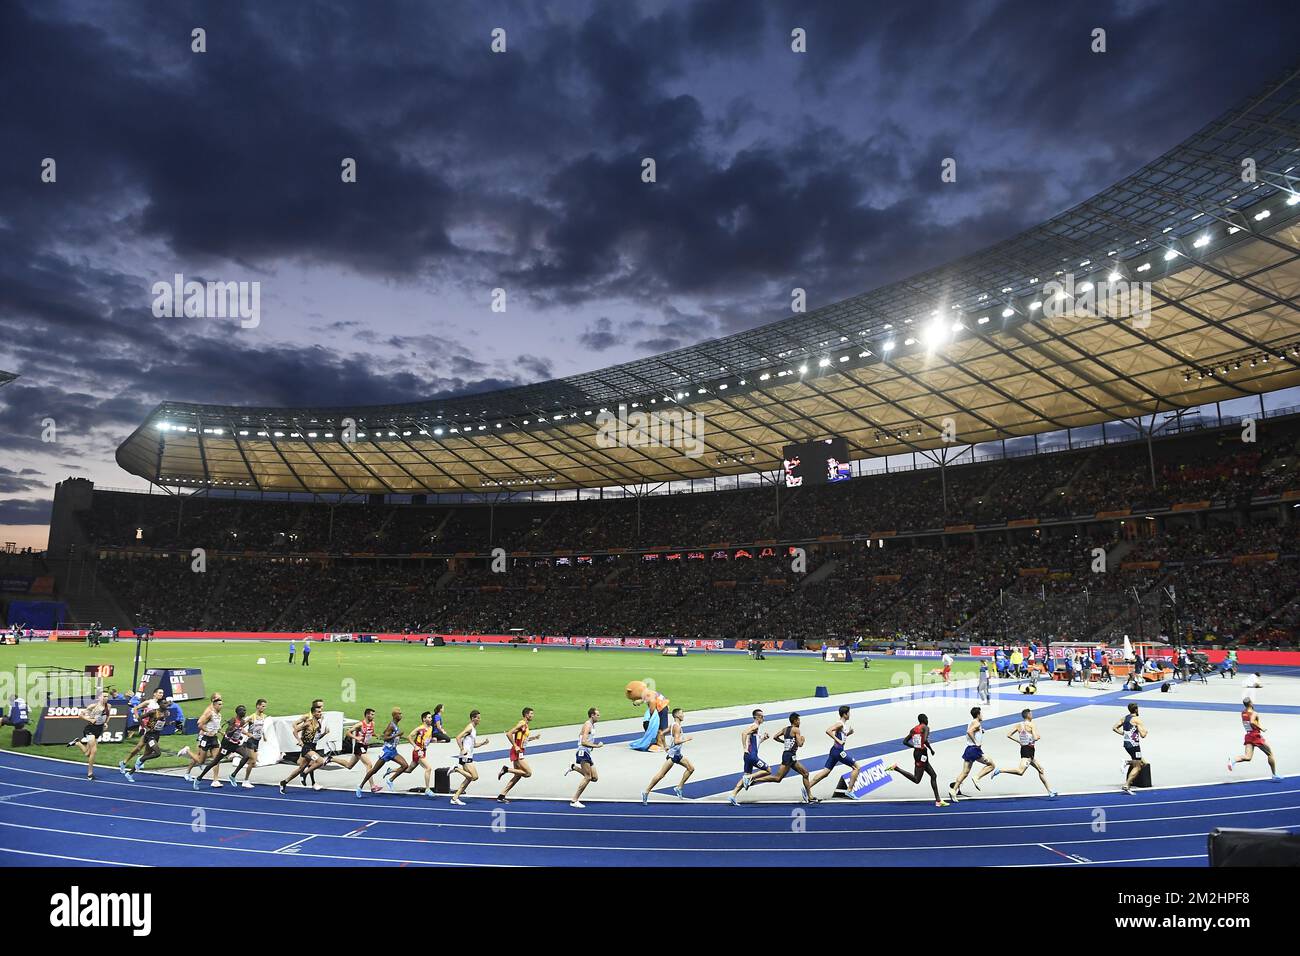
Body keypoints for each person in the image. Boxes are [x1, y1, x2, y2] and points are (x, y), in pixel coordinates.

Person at [887, 713, 947, 807]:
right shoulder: (926, 727)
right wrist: (924, 743)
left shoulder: (913, 729)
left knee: (933, 775)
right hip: (922, 754)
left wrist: (926, 748)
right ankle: (896, 768)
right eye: (927, 718)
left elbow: (905, 742)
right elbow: (925, 738)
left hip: (918, 753)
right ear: (924, 719)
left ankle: (938, 800)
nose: (928, 720)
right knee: (917, 779)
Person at [996, 709, 1056, 797]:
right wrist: (1038, 737)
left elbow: (1008, 735)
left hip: (1025, 749)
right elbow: (1035, 738)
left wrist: (1019, 741)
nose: (1032, 715)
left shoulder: (1019, 725)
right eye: (1031, 714)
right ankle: (1000, 770)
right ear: (1028, 715)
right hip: (1029, 750)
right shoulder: (1031, 725)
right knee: (1020, 772)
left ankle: (1050, 791)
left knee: (1041, 769)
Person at [194, 704, 254, 788]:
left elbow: (241, 729)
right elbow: (228, 734)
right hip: (226, 745)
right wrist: (237, 727)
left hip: (235, 744)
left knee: (247, 756)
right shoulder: (233, 720)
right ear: (238, 712)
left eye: (245, 710)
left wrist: (247, 733)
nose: (244, 712)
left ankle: (233, 775)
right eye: (242, 710)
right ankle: (199, 778)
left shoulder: (243, 721)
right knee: (215, 762)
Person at [807, 705, 862, 798]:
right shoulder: (840, 724)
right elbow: (828, 731)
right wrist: (838, 740)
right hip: (838, 751)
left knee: (825, 772)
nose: (850, 714)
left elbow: (842, 736)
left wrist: (848, 733)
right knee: (857, 767)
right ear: (845, 714)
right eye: (849, 713)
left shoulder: (842, 725)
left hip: (835, 751)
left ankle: (806, 788)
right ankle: (849, 791)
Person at [641, 709, 694, 803]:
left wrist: (665, 746)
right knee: (661, 775)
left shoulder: (673, 724)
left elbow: (661, 733)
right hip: (673, 755)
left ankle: (679, 787)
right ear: (677, 715)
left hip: (677, 754)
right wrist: (686, 739)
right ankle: (646, 791)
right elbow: (677, 741)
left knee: (691, 768)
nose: (683, 715)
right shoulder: (676, 726)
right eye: (682, 713)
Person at [763, 713, 818, 804]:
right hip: (790, 756)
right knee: (778, 778)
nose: (800, 722)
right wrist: (803, 739)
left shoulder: (785, 729)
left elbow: (775, 737)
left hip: (787, 755)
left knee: (805, 774)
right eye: (799, 720)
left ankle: (809, 796)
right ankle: (755, 780)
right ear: (795, 721)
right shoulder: (796, 730)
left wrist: (784, 742)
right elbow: (800, 744)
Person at [949, 706, 999, 800]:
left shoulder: (972, 722)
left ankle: (953, 790)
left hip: (969, 749)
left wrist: (981, 731)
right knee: (991, 765)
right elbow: (969, 731)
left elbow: (972, 730)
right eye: (981, 714)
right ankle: (977, 777)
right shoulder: (977, 724)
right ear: (978, 715)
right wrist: (976, 741)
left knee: (965, 772)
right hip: (974, 750)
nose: (982, 715)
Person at [278, 699, 327, 793]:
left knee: (301, 767)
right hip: (306, 748)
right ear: (313, 713)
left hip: (313, 747)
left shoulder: (319, 724)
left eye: (321, 712)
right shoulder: (308, 722)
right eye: (318, 712)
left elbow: (315, 738)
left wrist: (324, 733)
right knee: (320, 761)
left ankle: (284, 782)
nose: (321, 713)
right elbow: (295, 731)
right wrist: (300, 741)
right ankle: (304, 774)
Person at [357, 708, 409, 796]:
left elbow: (387, 734)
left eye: (401, 713)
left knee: (405, 765)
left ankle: (390, 780)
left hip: (393, 751)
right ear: (394, 715)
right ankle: (360, 786)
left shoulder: (395, 725)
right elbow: (385, 738)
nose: (401, 715)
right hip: (387, 752)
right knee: (374, 770)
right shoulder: (391, 725)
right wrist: (397, 735)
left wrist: (402, 737)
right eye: (399, 714)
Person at [729, 709, 776, 805]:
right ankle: (750, 777)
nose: (764, 718)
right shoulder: (755, 726)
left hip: (748, 756)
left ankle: (733, 795)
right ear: (757, 717)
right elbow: (743, 733)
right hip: (751, 756)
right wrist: (744, 748)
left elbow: (754, 743)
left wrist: (763, 738)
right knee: (768, 770)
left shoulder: (755, 727)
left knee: (745, 777)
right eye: (762, 717)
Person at [385, 710, 437, 795]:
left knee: (409, 770)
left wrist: (432, 740)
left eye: (431, 717)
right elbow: (409, 737)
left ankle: (391, 771)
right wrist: (415, 746)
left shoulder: (431, 728)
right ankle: (427, 789)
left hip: (423, 751)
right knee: (428, 768)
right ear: (424, 719)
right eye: (429, 717)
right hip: (418, 752)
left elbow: (426, 739)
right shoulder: (420, 728)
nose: (431, 719)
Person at [1228, 698, 1281, 781]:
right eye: (1252, 702)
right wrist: (1261, 728)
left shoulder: (1243, 713)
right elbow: (1252, 721)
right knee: (1270, 754)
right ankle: (1274, 774)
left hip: (1248, 735)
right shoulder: (1254, 713)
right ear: (1250, 704)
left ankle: (1233, 760)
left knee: (1248, 757)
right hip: (1256, 736)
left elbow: (1248, 722)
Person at [497, 707, 541, 803]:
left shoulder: (525, 725)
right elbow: (509, 733)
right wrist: (515, 746)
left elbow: (523, 739)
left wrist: (534, 738)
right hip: (517, 751)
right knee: (528, 773)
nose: (533, 715)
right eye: (531, 714)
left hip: (519, 750)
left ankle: (501, 796)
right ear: (526, 715)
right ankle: (506, 769)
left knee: (517, 776)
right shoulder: (522, 723)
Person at [178, 693, 224, 779]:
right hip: (204, 736)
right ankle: (187, 763)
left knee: (214, 757)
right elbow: (200, 723)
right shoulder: (209, 710)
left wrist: (220, 731)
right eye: (218, 698)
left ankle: (215, 780)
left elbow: (215, 724)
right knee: (199, 758)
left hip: (212, 736)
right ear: (213, 700)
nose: (220, 701)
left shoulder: (217, 711)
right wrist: (207, 731)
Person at [67, 692, 110, 780]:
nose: (106, 698)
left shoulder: (108, 706)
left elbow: (108, 716)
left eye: (107, 696)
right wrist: (90, 719)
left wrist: (105, 723)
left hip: (99, 729)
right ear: (99, 698)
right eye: (104, 696)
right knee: (94, 751)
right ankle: (90, 774)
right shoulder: (93, 706)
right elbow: (80, 715)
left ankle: (77, 743)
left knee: (88, 753)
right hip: (90, 729)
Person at [449, 709, 489, 805]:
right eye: (478, 718)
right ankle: (456, 769)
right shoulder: (469, 728)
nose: (480, 719)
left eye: (480, 718)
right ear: (473, 718)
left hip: (469, 756)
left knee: (469, 779)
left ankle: (455, 798)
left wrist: (483, 743)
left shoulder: (474, 730)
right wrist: (462, 749)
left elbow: (474, 745)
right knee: (474, 777)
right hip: (465, 756)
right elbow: (458, 737)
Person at [566, 707, 604, 808]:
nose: (599, 716)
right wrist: (596, 746)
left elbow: (581, 736)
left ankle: (573, 767)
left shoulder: (591, 725)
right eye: (597, 715)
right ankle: (574, 800)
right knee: (588, 777)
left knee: (594, 778)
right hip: (583, 752)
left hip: (587, 752)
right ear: (592, 715)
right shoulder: (588, 725)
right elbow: (583, 741)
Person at [327, 707, 378, 779]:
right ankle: (372, 786)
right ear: (367, 715)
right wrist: (356, 738)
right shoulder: (360, 724)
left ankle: (331, 759)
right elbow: (348, 733)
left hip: (365, 746)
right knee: (369, 765)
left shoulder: (372, 723)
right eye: (372, 714)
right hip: (359, 746)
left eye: (373, 714)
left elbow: (370, 732)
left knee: (349, 765)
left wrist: (376, 735)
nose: (373, 716)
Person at [228, 698, 268, 788]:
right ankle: (245, 780)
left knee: (252, 762)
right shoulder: (251, 717)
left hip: (257, 741)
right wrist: (248, 734)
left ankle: (236, 761)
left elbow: (261, 728)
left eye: (265, 706)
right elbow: (240, 727)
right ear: (258, 706)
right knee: (253, 761)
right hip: (250, 741)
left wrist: (264, 736)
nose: (264, 708)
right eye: (262, 706)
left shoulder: (264, 716)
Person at [1113, 702, 1148, 794]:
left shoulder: (1124, 718)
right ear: (1136, 709)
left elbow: (1114, 728)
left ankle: (1127, 762)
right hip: (1134, 745)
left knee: (1142, 762)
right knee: (1138, 766)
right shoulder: (1137, 720)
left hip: (1127, 744)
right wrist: (1146, 732)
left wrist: (1124, 734)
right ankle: (1127, 785)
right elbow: (1143, 735)